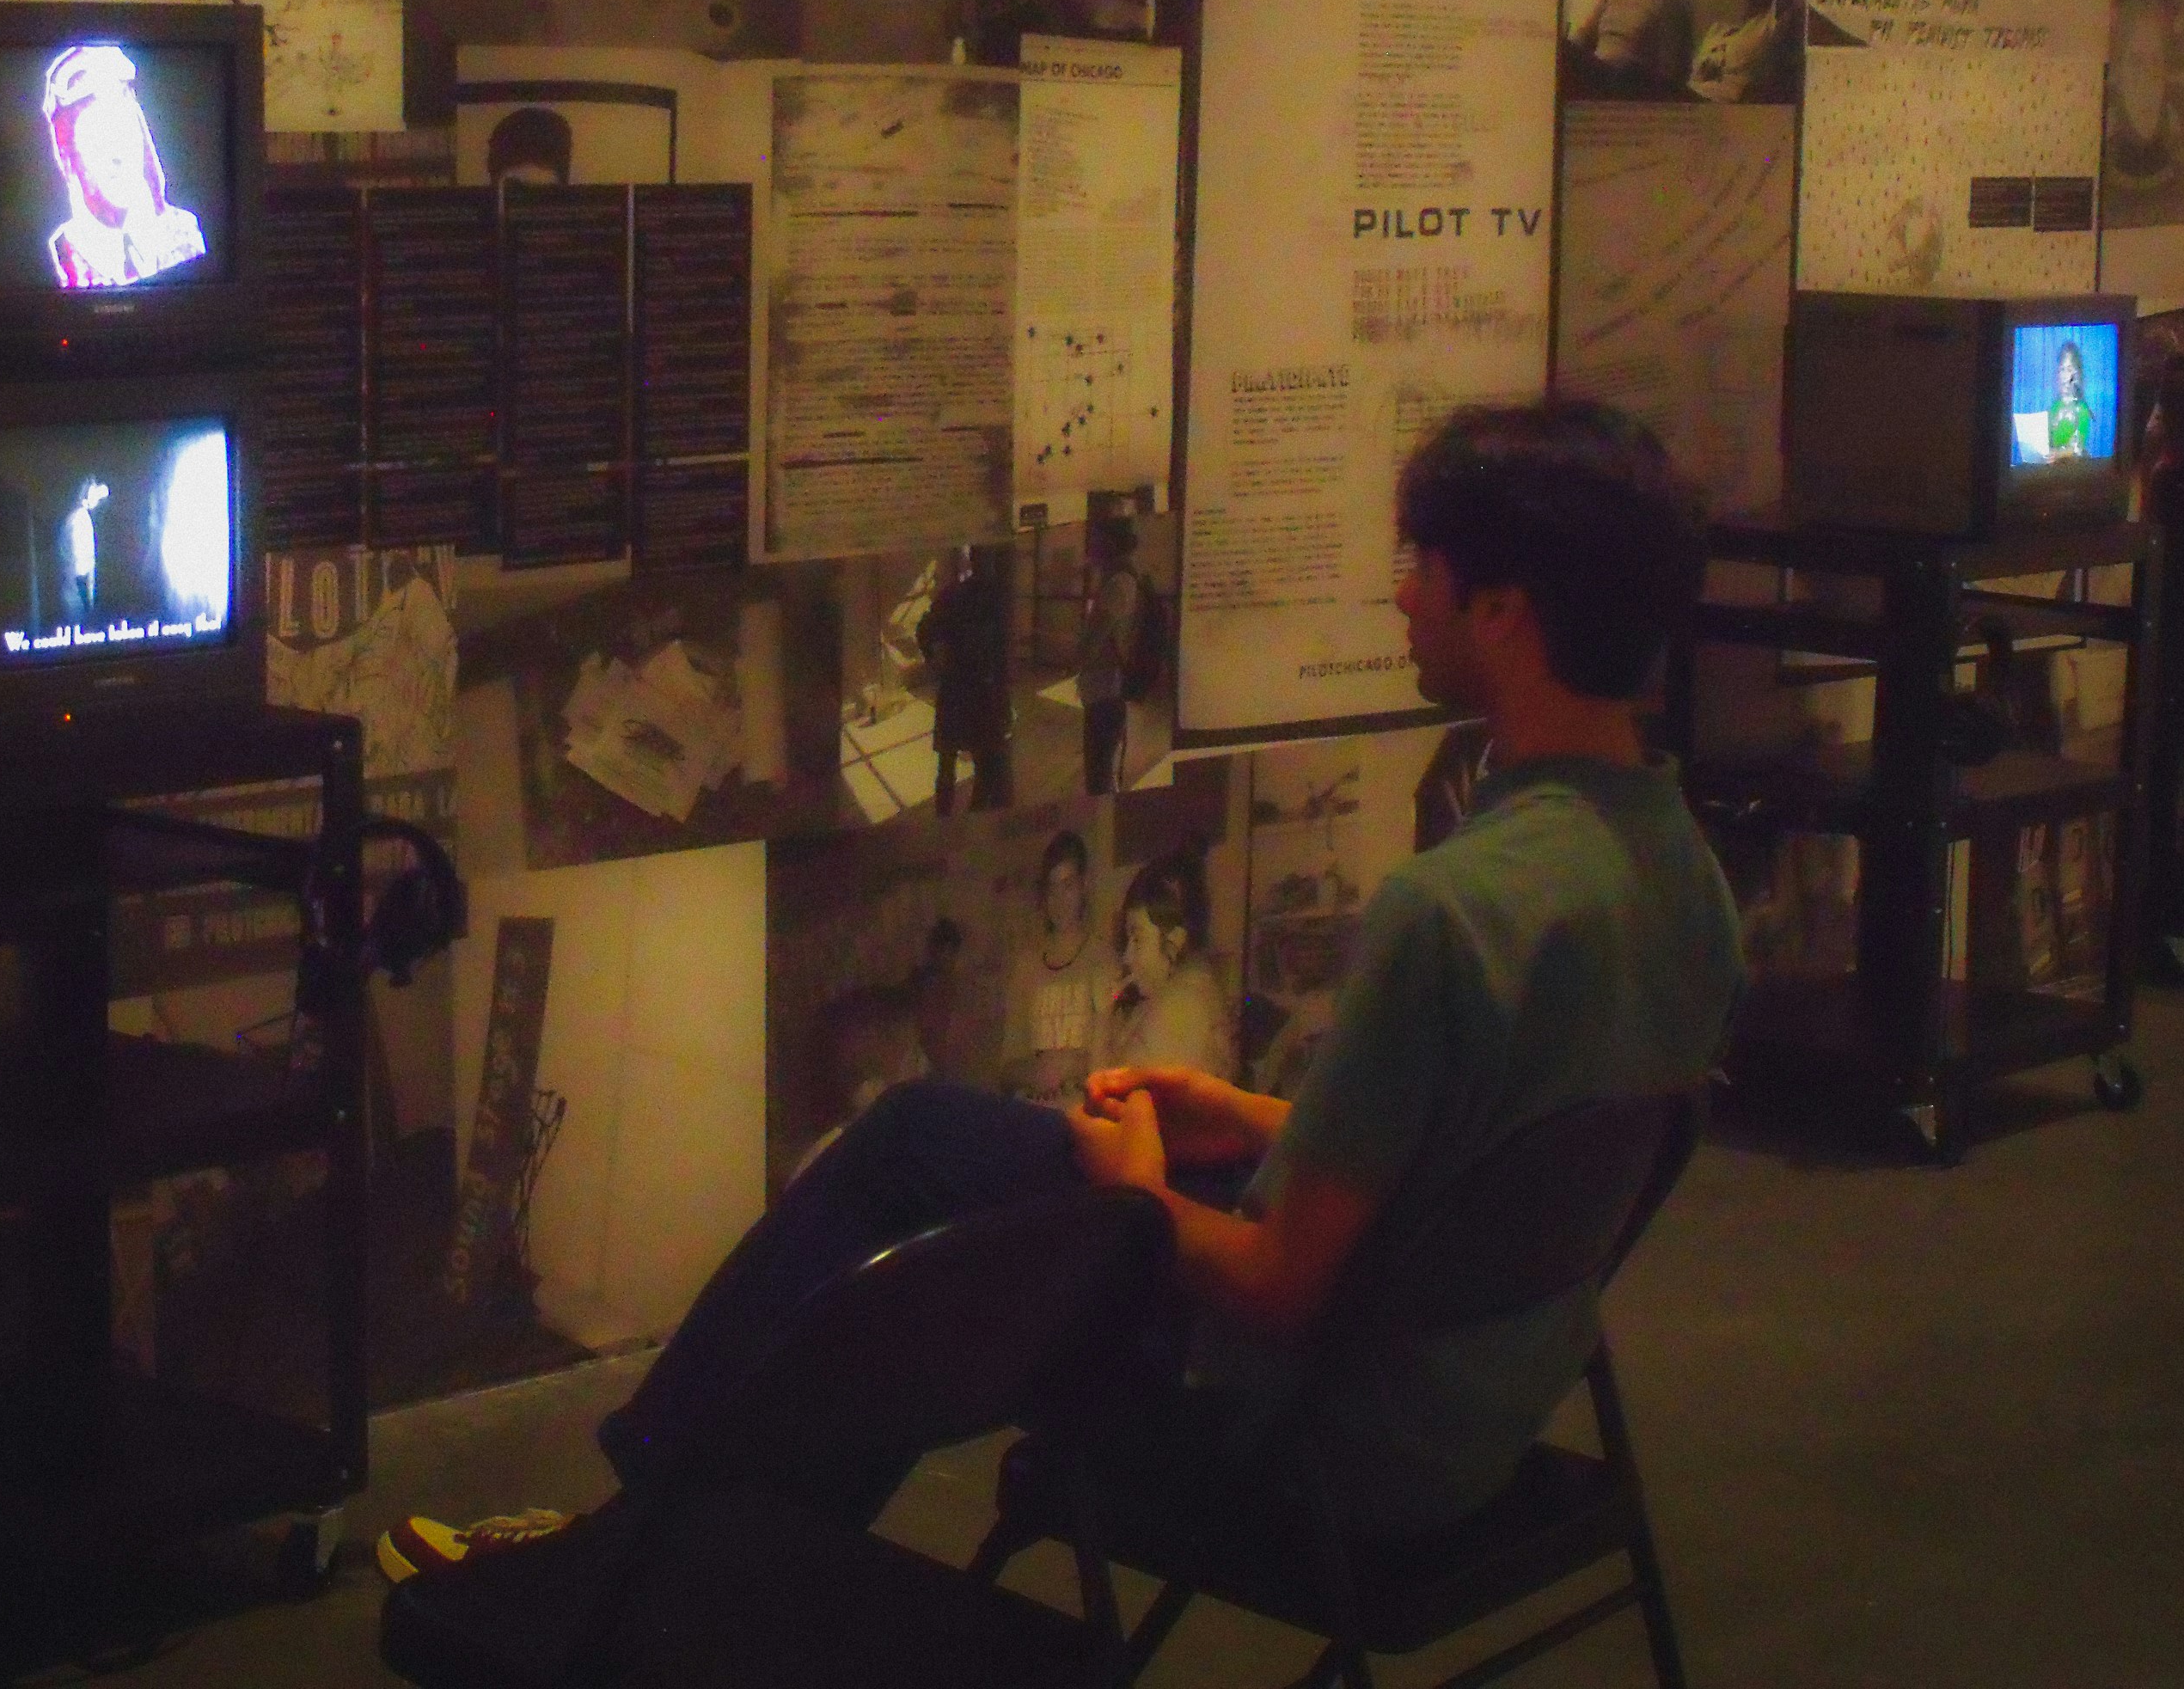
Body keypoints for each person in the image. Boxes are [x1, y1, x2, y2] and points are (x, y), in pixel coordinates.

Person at [377, 398, 1744, 1580]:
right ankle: (689, 1545)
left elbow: (1272, 1288)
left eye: (1420, 568)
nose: (1398, 595)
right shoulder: (1679, 871)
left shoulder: (1449, 913)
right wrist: (1246, 1115)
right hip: (1472, 1408)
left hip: (1314, 1434)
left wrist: (1133, 1184)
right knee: (927, 1147)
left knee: (920, 1197)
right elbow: (1486, 1154)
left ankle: (645, 1547)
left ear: (1501, 612)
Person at [41, 45, 207, 289]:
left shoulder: (185, 234)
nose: (117, 155)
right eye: (98, 138)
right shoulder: (64, 257)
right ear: (68, 157)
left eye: (123, 128)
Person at [1092, 854, 1239, 1084]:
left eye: (1137, 938)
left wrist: (1102, 1024)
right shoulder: (1175, 996)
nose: (1128, 956)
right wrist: (1104, 1014)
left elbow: (1111, 1104)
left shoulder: (1182, 1007)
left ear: (1176, 939)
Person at [1000, 830, 1120, 1111]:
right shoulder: (1026, 968)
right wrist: (1036, 1071)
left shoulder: (1105, 962)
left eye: (1068, 886)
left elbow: (1118, 1050)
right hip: (1033, 1118)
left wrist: (1072, 1064)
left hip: (1084, 1117)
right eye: (1052, 888)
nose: (1059, 899)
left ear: (1084, 885)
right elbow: (1006, 1068)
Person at [915, 547, 1012, 815]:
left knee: (958, 764)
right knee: (971, 764)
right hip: (974, 689)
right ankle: (955, 823)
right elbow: (925, 630)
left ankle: (950, 823)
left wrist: (936, 658)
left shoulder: (958, 595)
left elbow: (925, 630)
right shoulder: (987, 598)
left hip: (966, 688)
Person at [1077, 514, 1144, 795]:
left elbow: (1095, 639)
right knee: (1101, 768)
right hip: (1105, 688)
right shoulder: (1117, 580)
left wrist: (1079, 652)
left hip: (1107, 689)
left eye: (1097, 540)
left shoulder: (1118, 584)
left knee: (1100, 773)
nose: (1091, 547)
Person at [1686, 0, 1790, 102]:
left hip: (1722, 108)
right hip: (1690, 100)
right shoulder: (1717, 30)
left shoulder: (1765, 26)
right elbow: (1692, 75)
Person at [60, 477, 108, 629]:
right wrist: (89, 610)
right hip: (77, 602)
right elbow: (80, 571)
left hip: (75, 596)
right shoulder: (79, 520)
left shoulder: (76, 517)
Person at [2046, 341, 2095, 460]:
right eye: (2062, 369)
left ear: (2077, 374)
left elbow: (2077, 448)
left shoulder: (2082, 409)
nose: (2064, 376)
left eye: (2069, 369)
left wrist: (2058, 455)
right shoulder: (2054, 406)